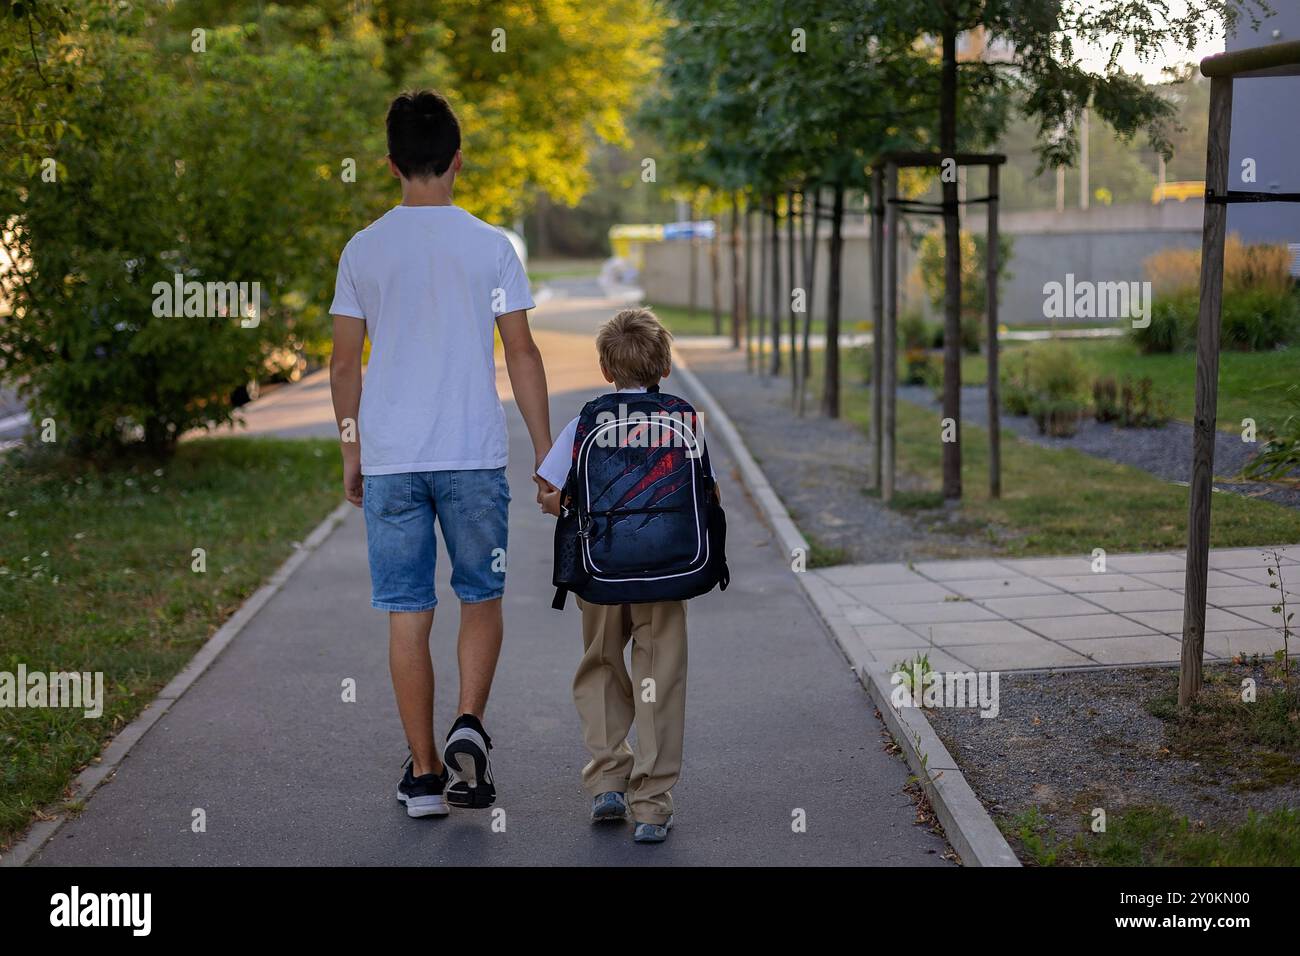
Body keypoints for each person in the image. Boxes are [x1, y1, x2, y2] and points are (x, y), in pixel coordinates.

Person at [328, 90, 552, 818]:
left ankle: (424, 774)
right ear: (458, 160)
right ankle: (469, 724)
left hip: (391, 457)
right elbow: (521, 353)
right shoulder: (492, 246)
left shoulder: (363, 248)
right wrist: (549, 454)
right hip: (471, 456)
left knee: (406, 610)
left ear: (391, 164)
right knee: (480, 597)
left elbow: (343, 367)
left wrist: (351, 451)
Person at [535, 308, 721, 843]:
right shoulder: (686, 422)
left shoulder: (585, 423)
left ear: (604, 367)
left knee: (599, 664)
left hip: (600, 574)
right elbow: (705, 497)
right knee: (659, 677)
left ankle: (607, 781)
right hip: (668, 574)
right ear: (664, 364)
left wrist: (564, 504)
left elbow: (549, 495)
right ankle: (653, 805)